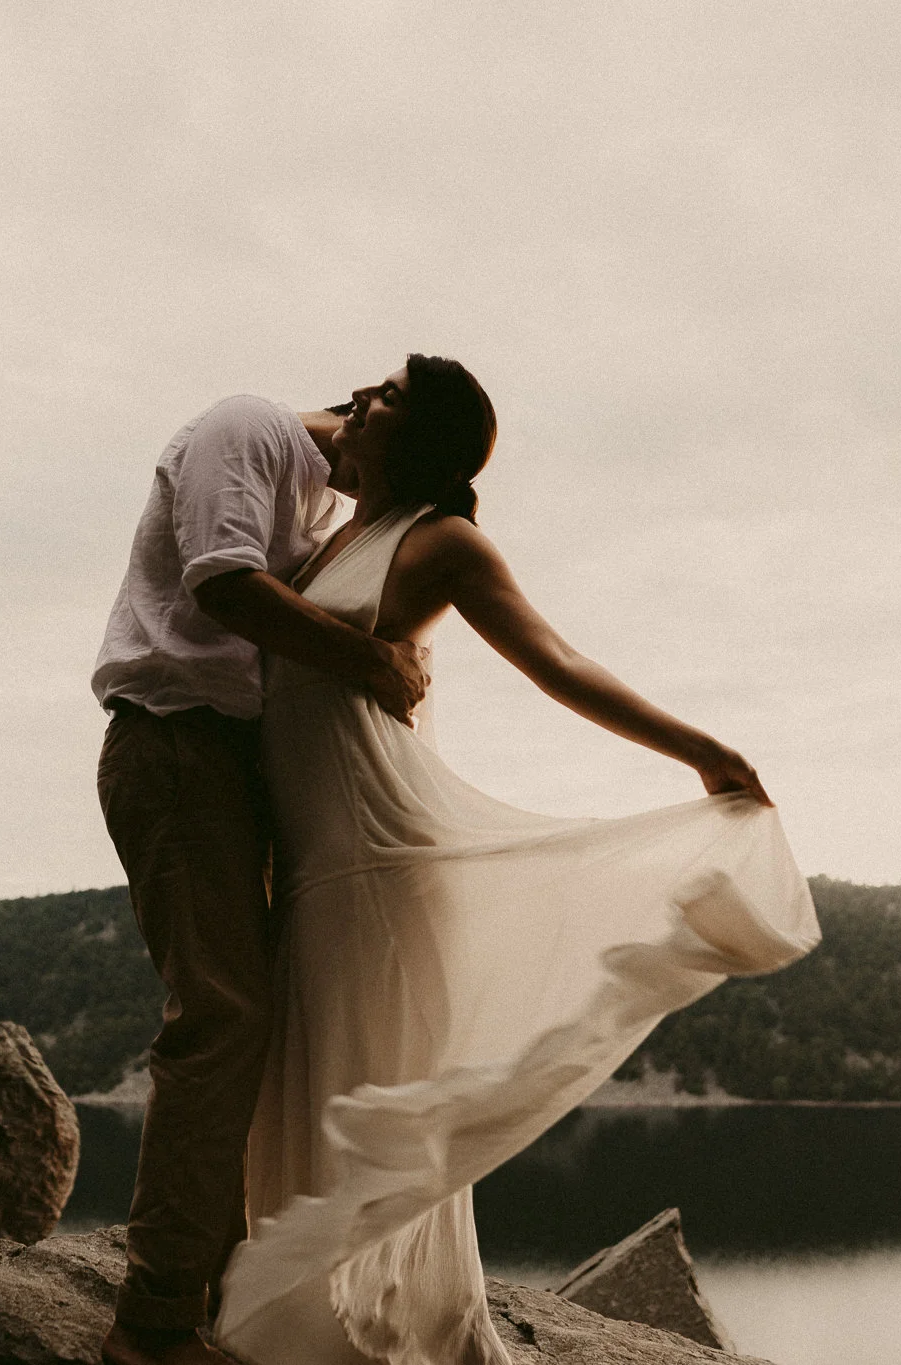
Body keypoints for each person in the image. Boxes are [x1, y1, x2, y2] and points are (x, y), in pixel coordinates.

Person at [209, 356, 823, 1365]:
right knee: (301, 1113)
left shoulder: (439, 540)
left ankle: (394, 1333)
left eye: (386, 397)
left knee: (366, 1107)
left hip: (377, 866)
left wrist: (699, 752)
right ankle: (317, 1334)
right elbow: (275, 429)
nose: (355, 402)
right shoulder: (326, 540)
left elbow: (558, 661)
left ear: (425, 442)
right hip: (310, 868)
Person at [91, 391, 428, 1365]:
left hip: (232, 768)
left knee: (257, 1023)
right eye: (385, 483)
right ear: (368, 410)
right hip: (175, 746)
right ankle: (150, 1324)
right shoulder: (248, 429)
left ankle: (223, 1284)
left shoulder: (318, 500)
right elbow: (222, 583)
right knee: (222, 1017)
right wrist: (371, 663)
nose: (371, 504)